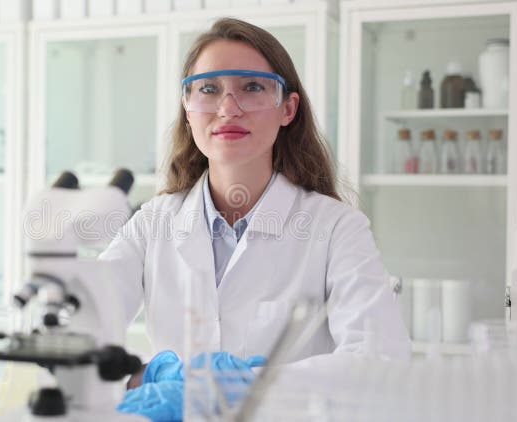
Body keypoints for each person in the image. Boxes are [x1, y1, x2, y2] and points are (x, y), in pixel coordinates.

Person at [99, 17, 410, 420]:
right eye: (209, 89)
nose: (228, 108)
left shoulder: (336, 229)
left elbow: (381, 361)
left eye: (252, 87)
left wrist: (251, 386)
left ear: (287, 109)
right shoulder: (150, 224)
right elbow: (78, 336)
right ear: (188, 108)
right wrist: (146, 374)